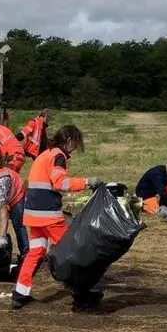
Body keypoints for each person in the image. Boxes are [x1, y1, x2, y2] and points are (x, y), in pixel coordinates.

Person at [13, 125, 103, 311]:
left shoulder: (45, 154)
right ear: (69, 140)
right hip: (48, 216)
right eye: (76, 143)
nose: (76, 148)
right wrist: (87, 182)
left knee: (35, 253)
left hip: (32, 214)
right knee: (71, 254)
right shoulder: (58, 157)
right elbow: (60, 182)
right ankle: (81, 296)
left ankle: (19, 294)